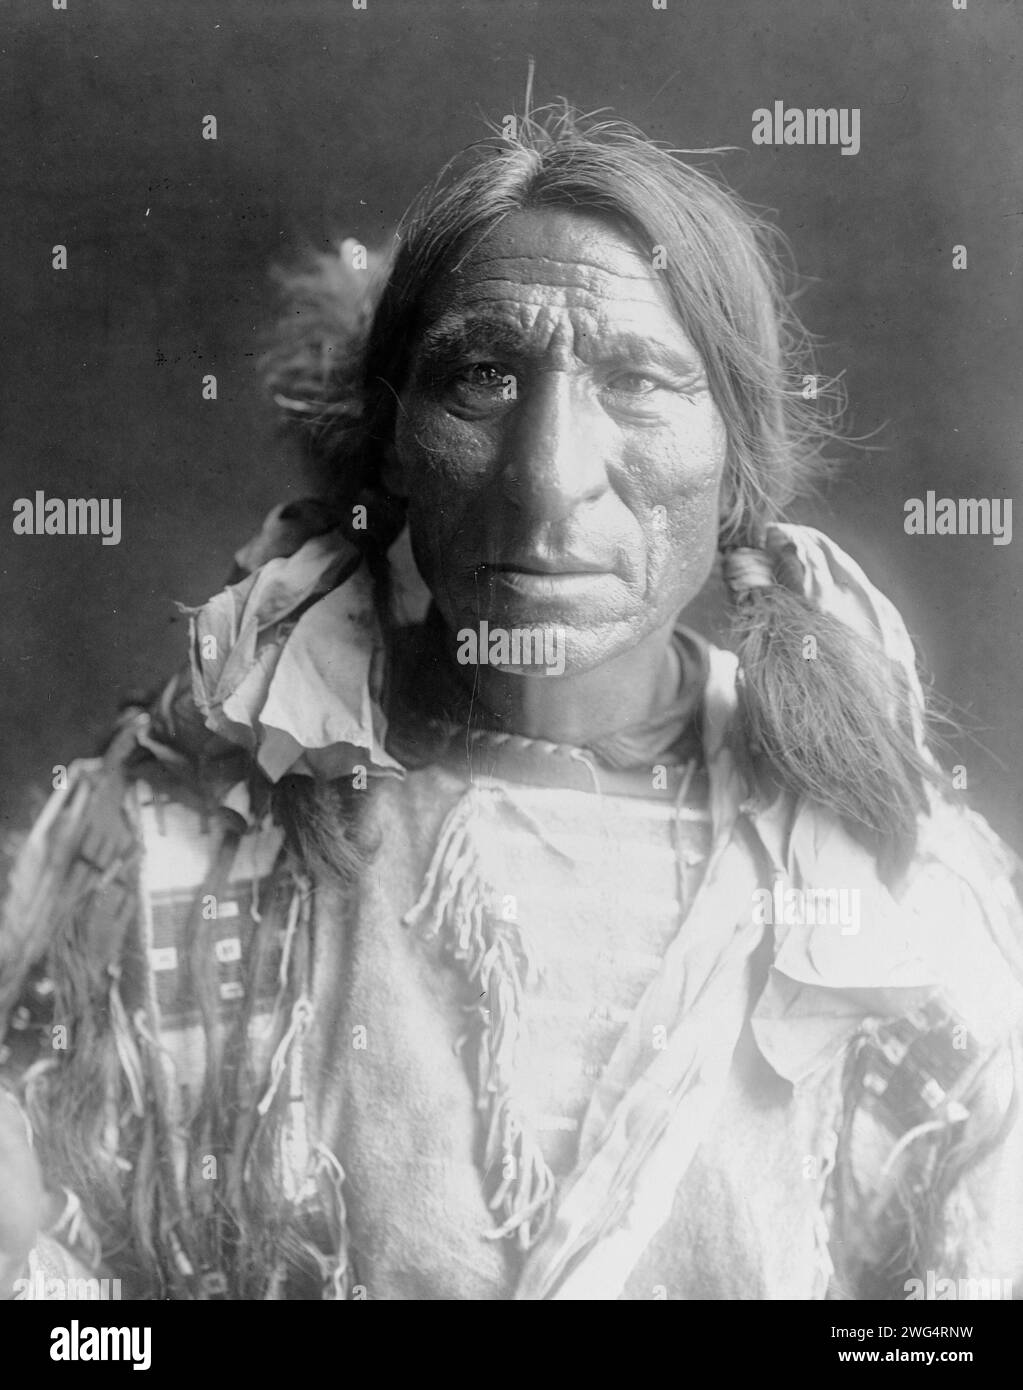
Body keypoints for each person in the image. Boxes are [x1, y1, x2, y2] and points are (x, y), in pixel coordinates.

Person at [2, 103, 1022, 1302]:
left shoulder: (895, 893)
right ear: (389, 446)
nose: (546, 481)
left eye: (640, 380)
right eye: (481, 378)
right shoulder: (177, 839)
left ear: (735, 462)